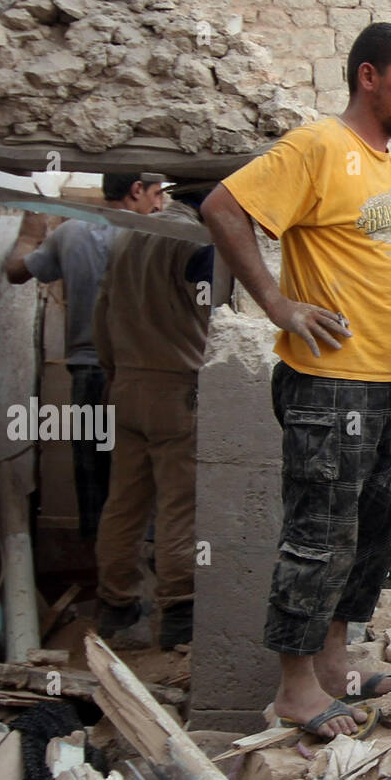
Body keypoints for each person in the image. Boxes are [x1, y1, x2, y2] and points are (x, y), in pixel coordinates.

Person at [201, 22, 391, 739]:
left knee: (371, 535)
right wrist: (274, 301)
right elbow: (223, 207)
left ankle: (334, 668)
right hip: (332, 386)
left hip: (390, 384)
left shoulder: (382, 163)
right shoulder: (317, 146)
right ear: (368, 76)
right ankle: (296, 687)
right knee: (319, 535)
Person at [92, 184, 220, 650]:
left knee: (124, 501)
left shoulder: (129, 233)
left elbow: (101, 311)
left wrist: (112, 369)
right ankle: (180, 613)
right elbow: (215, 315)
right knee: (178, 505)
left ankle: (117, 606)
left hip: (126, 381)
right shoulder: (197, 242)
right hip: (176, 385)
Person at [4, 173, 166, 540]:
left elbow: (15, 272)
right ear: (136, 189)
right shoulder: (152, 235)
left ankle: (103, 578)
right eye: (156, 194)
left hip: (88, 375)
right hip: (141, 376)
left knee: (93, 476)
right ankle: (142, 567)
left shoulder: (69, 233)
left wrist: (29, 236)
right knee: (142, 477)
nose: (159, 205)